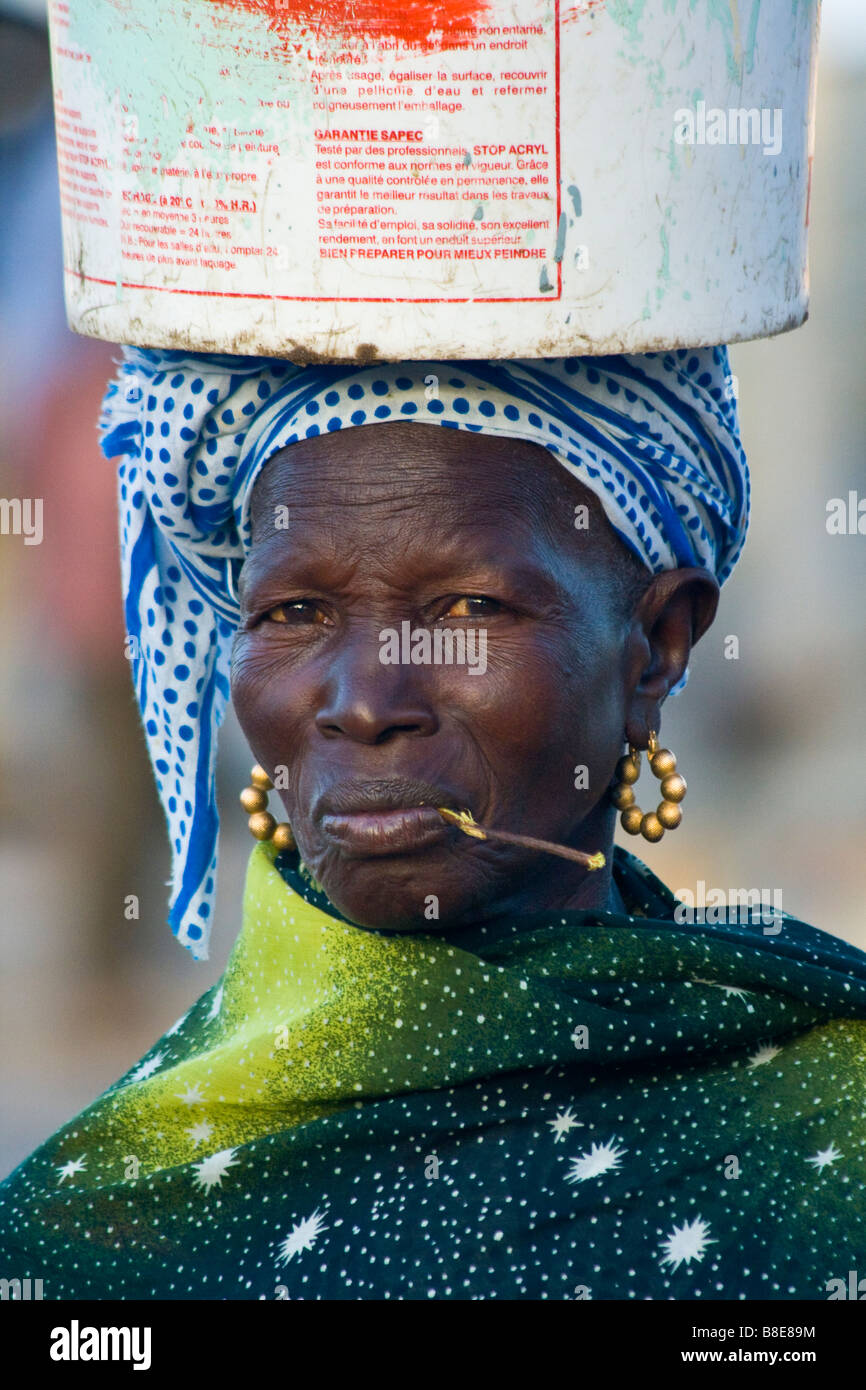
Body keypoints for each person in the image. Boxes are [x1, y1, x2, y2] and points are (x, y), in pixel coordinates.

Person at [1, 347, 864, 1301]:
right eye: (295, 611)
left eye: (468, 609)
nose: (367, 702)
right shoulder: (91, 1226)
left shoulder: (827, 1122)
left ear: (655, 651)